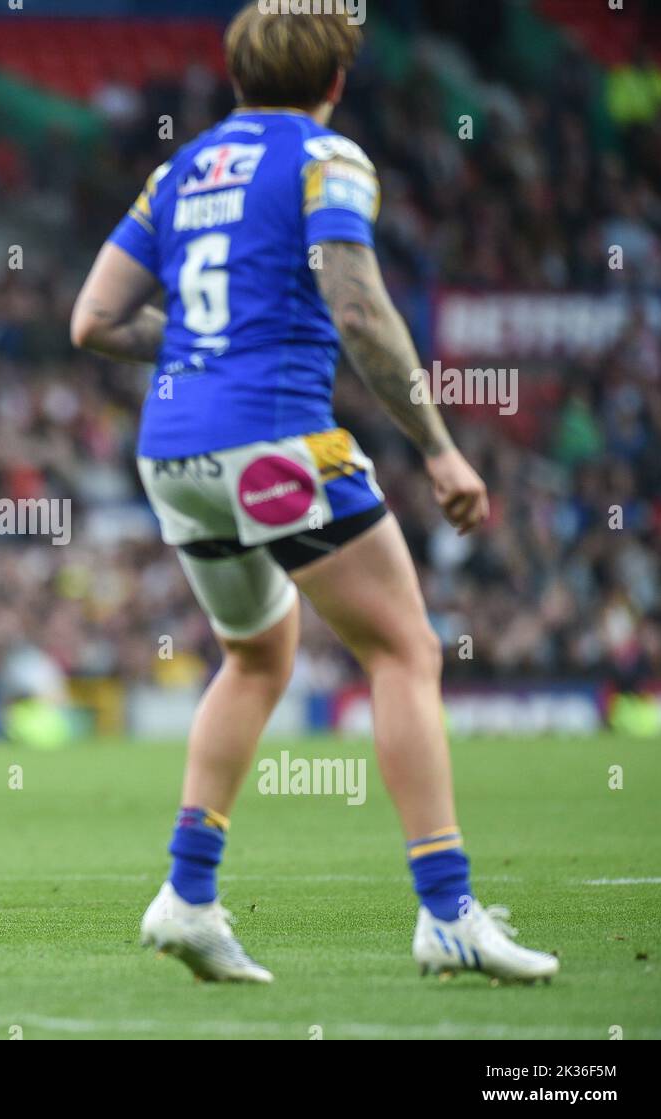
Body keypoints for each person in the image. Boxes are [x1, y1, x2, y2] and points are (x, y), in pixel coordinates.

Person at [70, 9, 557, 984]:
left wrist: (197, 351)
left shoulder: (177, 172)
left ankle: (188, 894)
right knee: (405, 649)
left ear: (237, 72)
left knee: (255, 655)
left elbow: (92, 321)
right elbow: (356, 302)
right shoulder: (325, 158)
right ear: (336, 74)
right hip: (273, 443)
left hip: (170, 450)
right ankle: (448, 910)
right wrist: (440, 449)